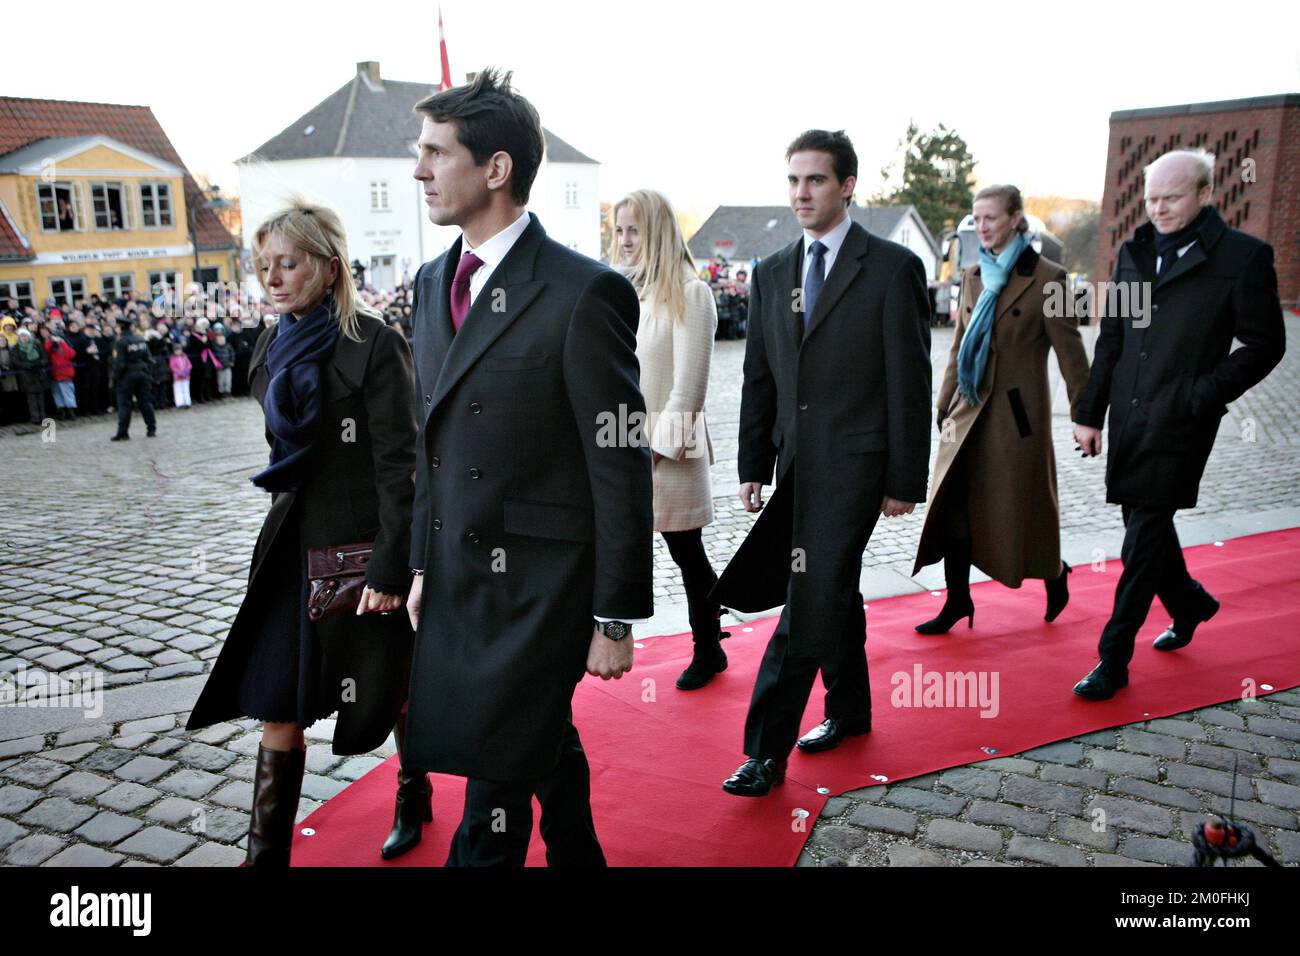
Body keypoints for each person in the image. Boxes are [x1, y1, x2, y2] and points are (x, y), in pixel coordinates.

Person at [404, 69, 653, 867]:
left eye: (436, 153)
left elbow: (620, 464)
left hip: (541, 585)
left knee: (493, 780)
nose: (420, 171)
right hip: (457, 575)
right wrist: (418, 562)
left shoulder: (585, 293)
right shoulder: (430, 281)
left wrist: (613, 616)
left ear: (497, 169)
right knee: (534, 740)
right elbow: (429, 442)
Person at [186, 200, 421, 865]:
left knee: (389, 686)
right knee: (277, 702)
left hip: (360, 550)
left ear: (327, 264)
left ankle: (414, 791)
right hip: (290, 550)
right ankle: (266, 858)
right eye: (263, 266)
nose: (273, 277)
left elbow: (400, 466)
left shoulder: (375, 343)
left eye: (287, 263)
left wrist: (391, 567)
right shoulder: (270, 342)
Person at [713, 129, 932, 796]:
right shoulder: (773, 270)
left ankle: (765, 751)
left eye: (814, 180)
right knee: (832, 588)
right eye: (793, 180)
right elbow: (760, 376)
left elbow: (910, 382)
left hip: (858, 469)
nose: (801, 192)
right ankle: (851, 707)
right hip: (795, 466)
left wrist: (903, 480)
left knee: (808, 597)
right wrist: (754, 460)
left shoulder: (893, 268)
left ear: (847, 186)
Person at [1070, 148, 1286, 700]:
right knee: (1143, 524)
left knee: (1141, 537)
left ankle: (1112, 659)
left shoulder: (1241, 257)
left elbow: (1266, 344)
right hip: (1130, 413)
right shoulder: (1134, 252)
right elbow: (1113, 335)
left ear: (1205, 194)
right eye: (1151, 198)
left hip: (1183, 420)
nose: (1158, 209)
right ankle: (1190, 603)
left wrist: (1203, 391)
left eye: (1171, 197)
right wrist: (1090, 414)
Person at [911, 185, 1091, 632]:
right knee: (952, 507)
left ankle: (1055, 572)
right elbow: (958, 348)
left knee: (1019, 512)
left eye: (991, 217)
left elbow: (1071, 353)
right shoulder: (972, 275)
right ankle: (957, 601)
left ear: (1015, 218)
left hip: (1016, 419)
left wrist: (1085, 415)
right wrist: (944, 404)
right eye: (977, 218)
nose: (983, 226)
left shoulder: (1050, 277)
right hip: (967, 413)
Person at [611, 189, 727, 690]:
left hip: (668, 454)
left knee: (687, 555)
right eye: (618, 230)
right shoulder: (622, 289)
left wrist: (653, 450)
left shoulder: (690, 291)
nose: (625, 240)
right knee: (617, 548)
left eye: (634, 229)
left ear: (657, 230)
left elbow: (690, 385)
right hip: (622, 442)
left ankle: (710, 649)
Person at [110, 316, 158, 440]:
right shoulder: (140, 339)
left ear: (120, 328)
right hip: (143, 374)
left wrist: (114, 378)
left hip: (127, 376)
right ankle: (151, 429)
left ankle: (123, 433)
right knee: (145, 403)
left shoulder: (121, 342)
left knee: (125, 405)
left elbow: (119, 363)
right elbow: (149, 358)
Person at [11, 328, 47, 425]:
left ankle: (43, 416)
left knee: (41, 398)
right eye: (21, 336)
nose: (24, 338)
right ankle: (35, 418)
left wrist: (39, 363)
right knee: (31, 399)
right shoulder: (16, 348)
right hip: (27, 376)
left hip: (39, 374)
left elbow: (44, 357)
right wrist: (27, 365)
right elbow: (15, 361)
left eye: (25, 335)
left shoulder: (37, 345)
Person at [42, 328, 77, 420]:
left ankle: (71, 412)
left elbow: (71, 355)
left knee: (68, 393)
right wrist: (52, 341)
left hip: (65, 373)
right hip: (54, 374)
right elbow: (46, 350)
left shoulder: (66, 345)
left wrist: (62, 343)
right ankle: (62, 412)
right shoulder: (50, 345)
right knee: (57, 394)